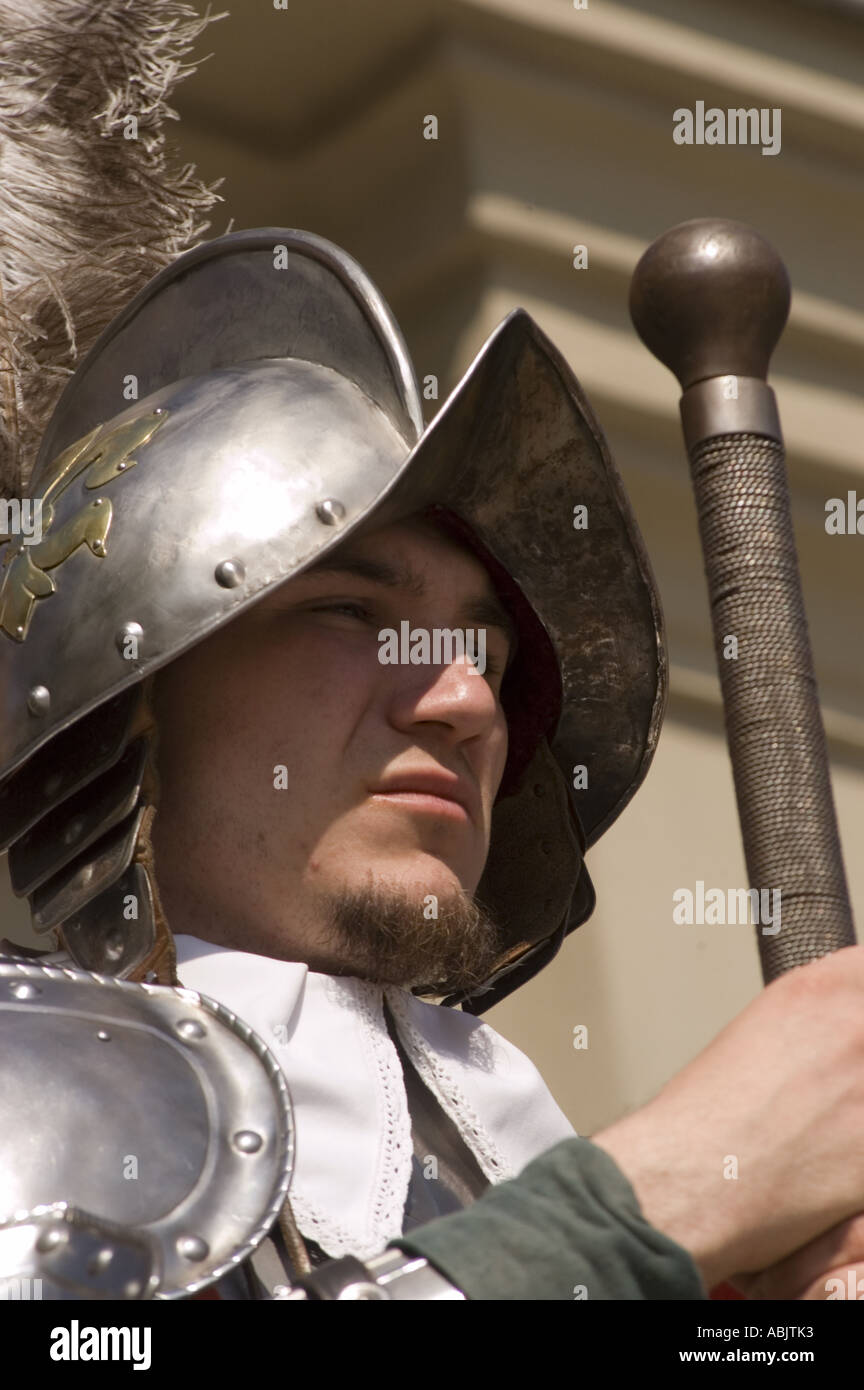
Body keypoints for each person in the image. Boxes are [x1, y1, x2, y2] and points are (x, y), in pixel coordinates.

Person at [2, 229, 863, 1304]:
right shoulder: (18, 1099)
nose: (464, 702)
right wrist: (648, 1204)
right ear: (130, 705)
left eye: (488, 653)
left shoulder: (512, 1137)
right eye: (351, 611)